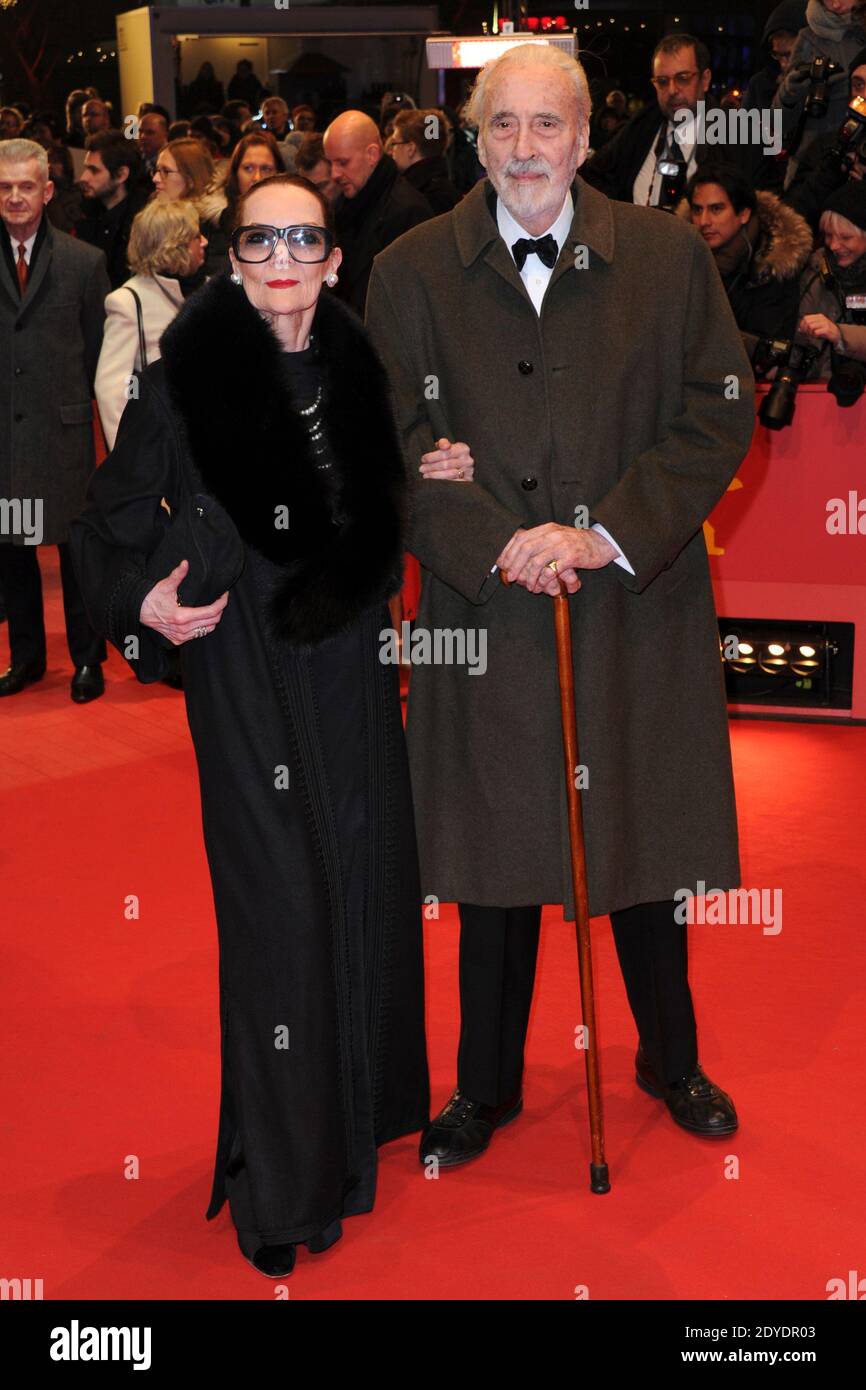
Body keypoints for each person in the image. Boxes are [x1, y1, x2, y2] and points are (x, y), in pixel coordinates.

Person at [365, 41, 756, 1169]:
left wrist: (602, 533)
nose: (524, 149)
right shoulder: (405, 272)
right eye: (502, 126)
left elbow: (714, 413)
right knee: (490, 861)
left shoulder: (668, 257)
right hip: (482, 613)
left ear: (586, 139)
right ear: (475, 139)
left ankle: (667, 1055)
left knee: (640, 839)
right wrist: (496, 544)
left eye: (547, 126)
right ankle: (481, 1086)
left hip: (631, 602)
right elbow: (387, 446)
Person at [68, 171, 458, 1278]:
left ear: (334, 259)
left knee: (360, 888)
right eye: (257, 240)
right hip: (243, 680)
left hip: (347, 672)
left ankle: (359, 1123)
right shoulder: (182, 382)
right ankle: (279, 1187)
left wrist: (425, 480)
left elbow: (376, 512)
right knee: (281, 916)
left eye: (304, 238)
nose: (281, 256)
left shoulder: (359, 372)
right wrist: (139, 601)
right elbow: (103, 522)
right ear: (227, 260)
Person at [0, 139, 110, 701]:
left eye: (25, 186)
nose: (15, 197)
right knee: (14, 550)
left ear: (46, 191)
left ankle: (88, 659)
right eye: (4, 187)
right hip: (5, 435)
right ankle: (26, 659)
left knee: (74, 553)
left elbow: (98, 352)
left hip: (63, 433)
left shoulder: (84, 262)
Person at [581, 32, 769, 208]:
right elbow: (594, 174)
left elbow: (761, 207)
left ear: (705, 80)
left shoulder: (739, 136)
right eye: (662, 81)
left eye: (683, 78)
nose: (672, 90)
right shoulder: (641, 127)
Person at [95, 200, 207, 450]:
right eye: (196, 236)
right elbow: (114, 388)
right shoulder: (128, 302)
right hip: (157, 445)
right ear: (174, 244)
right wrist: (129, 456)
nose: (205, 241)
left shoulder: (206, 290)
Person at [678, 162, 813, 362]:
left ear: (744, 214)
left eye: (716, 209)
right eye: (697, 210)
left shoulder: (773, 265)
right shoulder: (680, 260)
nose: (704, 221)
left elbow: (766, 350)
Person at [323, 110, 433, 314]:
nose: (334, 174)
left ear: (372, 154)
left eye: (343, 162)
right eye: (330, 163)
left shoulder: (408, 211)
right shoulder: (344, 205)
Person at [773, 0, 866, 181]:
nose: (836, 5)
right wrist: (791, 91)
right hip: (815, 162)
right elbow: (779, 123)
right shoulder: (809, 40)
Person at [783, 46, 866, 231]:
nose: (864, 96)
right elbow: (791, 218)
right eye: (859, 85)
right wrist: (832, 171)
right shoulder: (828, 145)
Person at [796, 178, 866, 372]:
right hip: (819, 391)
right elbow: (799, 339)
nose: (834, 246)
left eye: (845, 237)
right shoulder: (814, 271)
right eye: (828, 235)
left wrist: (839, 334)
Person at [195, 130, 282, 278]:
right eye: (248, 168)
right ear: (235, 172)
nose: (257, 177)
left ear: (278, 173)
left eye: (266, 169)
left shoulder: (294, 219)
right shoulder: (213, 220)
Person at [76, 131, 149, 290]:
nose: (84, 177)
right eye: (86, 168)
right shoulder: (82, 210)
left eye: (94, 170)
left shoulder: (144, 222)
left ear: (121, 175)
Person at [390, 108, 460, 213]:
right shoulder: (447, 189)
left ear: (410, 148)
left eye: (394, 143)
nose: (391, 151)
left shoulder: (414, 196)